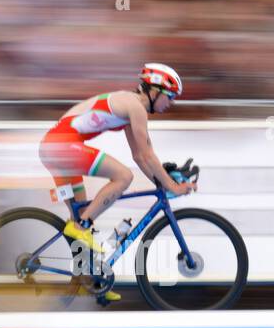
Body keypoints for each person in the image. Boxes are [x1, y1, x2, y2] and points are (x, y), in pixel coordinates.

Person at [39, 62, 196, 261]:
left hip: (54, 148)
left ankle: (91, 280)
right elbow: (148, 155)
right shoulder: (136, 107)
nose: (171, 103)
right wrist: (173, 186)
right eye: (170, 96)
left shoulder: (130, 105)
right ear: (155, 91)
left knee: (80, 219)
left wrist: (161, 183)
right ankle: (82, 226)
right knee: (123, 176)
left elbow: (139, 156)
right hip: (61, 146)